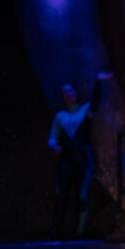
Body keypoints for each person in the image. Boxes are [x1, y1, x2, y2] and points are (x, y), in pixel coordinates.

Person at [48, 71, 114, 238]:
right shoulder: (60, 116)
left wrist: (99, 82)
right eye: (65, 92)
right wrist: (54, 146)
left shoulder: (84, 110)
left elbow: (95, 104)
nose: (68, 94)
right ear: (63, 97)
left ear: (75, 93)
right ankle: (56, 232)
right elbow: (52, 138)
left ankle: (80, 232)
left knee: (81, 195)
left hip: (83, 159)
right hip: (66, 160)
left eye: (70, 91)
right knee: (62, 196)